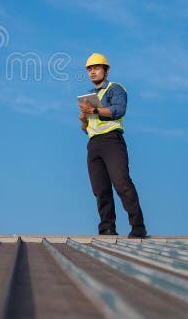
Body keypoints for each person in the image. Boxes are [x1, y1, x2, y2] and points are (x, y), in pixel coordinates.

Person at [78, 53, 147, 238]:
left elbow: (119, 110)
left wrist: (94, 110)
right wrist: (83, 119)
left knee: (122, 183)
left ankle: (138, 226)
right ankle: (107, 228)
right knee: (100, 189)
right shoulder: (89, 96)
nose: (92, 72)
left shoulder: (115, 88)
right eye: (90, 69)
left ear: (106, 70)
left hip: (112, 141)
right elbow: (86, 129)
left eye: (96, 68)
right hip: (93, 144)